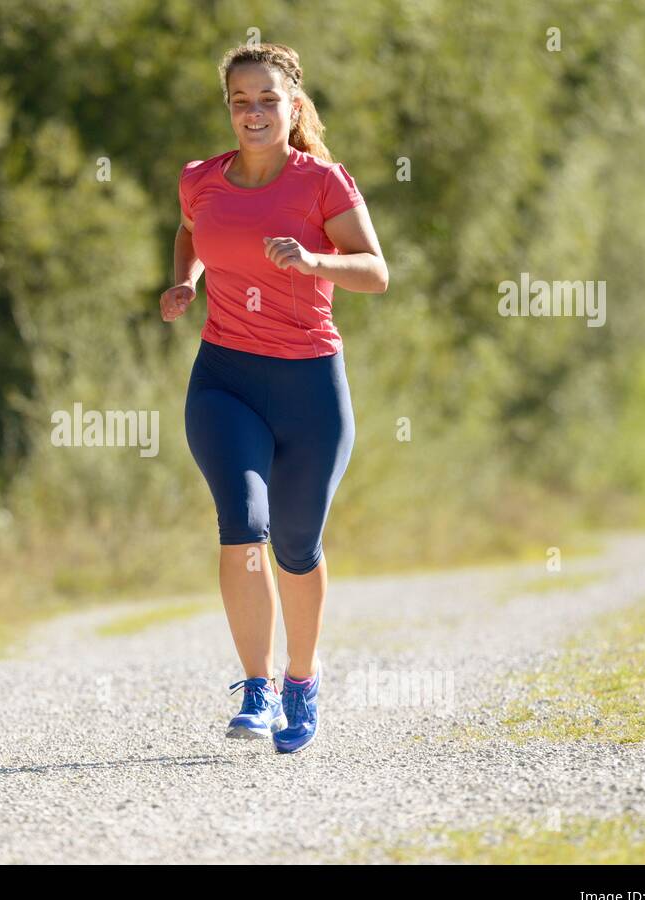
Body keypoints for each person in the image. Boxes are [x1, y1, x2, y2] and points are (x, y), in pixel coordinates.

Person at [161, 43, 388, 754]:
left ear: (293, 106)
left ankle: (301, 677)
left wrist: (317, 259)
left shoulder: (323, 182)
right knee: (243, 523)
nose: (253, 112)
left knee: (295, 543)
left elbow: (376, 272)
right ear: (227, 108)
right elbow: (190, 230)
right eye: (240, 101)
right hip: (226, 379)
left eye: (266, 100)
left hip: (310, 386)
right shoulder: (200, 179)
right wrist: (186, 279)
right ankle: (256, 684)